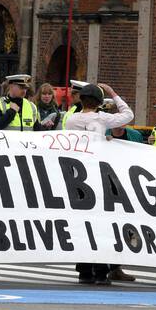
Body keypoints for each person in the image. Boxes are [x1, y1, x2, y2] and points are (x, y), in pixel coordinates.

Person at [64, 83, 134, 285]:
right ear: (99, 102)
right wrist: (113, 92)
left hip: (78, 178)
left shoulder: (72, 120)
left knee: (83, 224)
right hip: (99, 177)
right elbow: (127, 114)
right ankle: (101, 271)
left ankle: (84, 271)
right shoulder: (102, 118)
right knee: (102, 224)